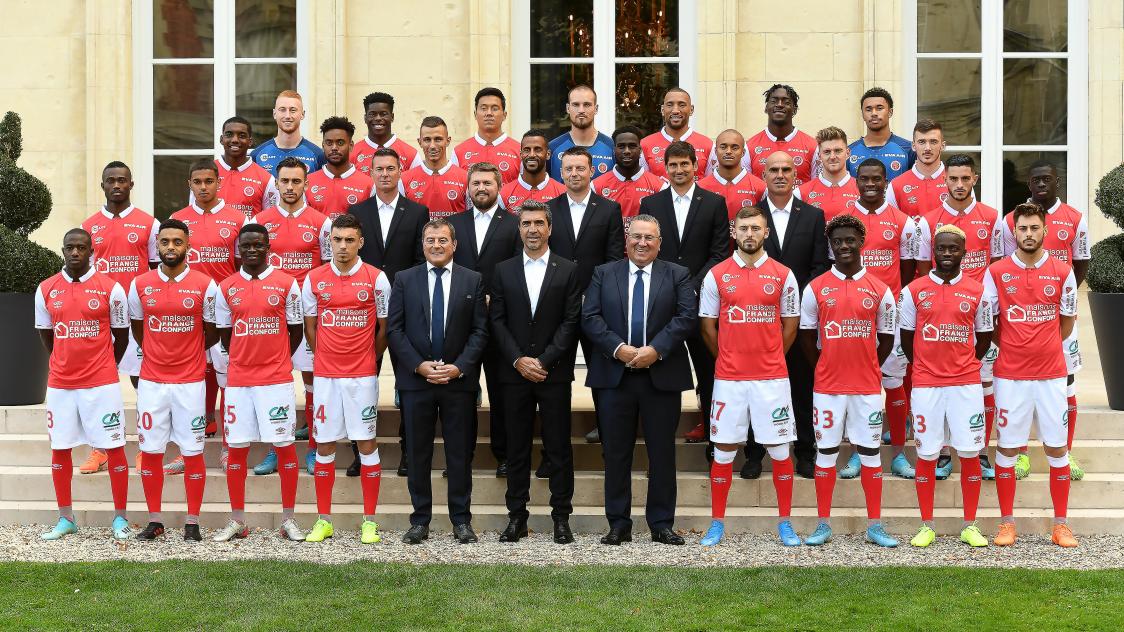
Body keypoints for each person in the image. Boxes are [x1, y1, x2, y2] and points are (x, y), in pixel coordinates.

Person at [582, 215, 697, 546]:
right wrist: (618, 349)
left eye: (649, 238)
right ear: (626, 239)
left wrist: (656, 350)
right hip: (614, 377)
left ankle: (661, 524)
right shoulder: (604, 273)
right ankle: (618, 524)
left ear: (659, 243)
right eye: (636, 236)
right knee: (615, 453)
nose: (642, 243)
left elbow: (686, 316)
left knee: (662, 454)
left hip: (660, 376)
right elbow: (590, 317)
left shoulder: (677, 274)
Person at [698, 207, 802, 547]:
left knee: (780, 450)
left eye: (756, 228)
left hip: (772, 380)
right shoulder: (716, 275)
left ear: (766, 232)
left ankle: (785, 522)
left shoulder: (784, 274)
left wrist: (771, 356)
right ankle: (717, 522)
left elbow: (791, 325)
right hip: (730, 380)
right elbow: (708, 327)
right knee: (724, 450)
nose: (749, 234)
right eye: (743, 228)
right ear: (734, 232)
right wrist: (727, 358)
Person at [982, 203, 1079, 548]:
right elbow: (991, 322)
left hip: (1051, 374)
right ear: (1014, 232)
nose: (1028, 234)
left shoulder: (1063, 271)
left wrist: (1043, 345)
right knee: (1007, 449)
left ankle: (1061, 525)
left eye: (1034, 228)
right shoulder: (996, 271)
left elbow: (1066, 322)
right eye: (1022, 228)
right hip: (1010, 375)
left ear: (1045, 230)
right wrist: (1014, 345)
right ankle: (1007, 523)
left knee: (1057, 449)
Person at [799, 214, 899, 548]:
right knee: (826, 453)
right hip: (828, 388)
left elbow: (886, 338)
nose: (844, 246)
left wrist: (868, 366)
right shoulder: (815, 288)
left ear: (861, 243)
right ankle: (823, 524)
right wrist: (824, 366)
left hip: (866, 388)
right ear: (831, 245)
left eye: (850, 240)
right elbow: (806, 336)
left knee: (870, 454)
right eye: (838, 241)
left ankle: (875, 525)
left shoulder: (880, 289)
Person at [388, 219, 489, 545]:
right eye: (430, 240)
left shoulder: (472, 280)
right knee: (418, 454)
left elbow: (480, 331)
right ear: (423, 244)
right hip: (417, 382)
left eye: (442, 240)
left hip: (457, 383)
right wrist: (418, 366)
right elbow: (395, 330)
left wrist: (459, 368)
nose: (436, 245)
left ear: (454, 245)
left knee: (459, 454)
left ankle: (462, 521)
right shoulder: (404, 279)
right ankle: (420, 520)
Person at [489, 200, 583, 544]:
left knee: (558, 447)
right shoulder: (503, 270)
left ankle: (561, 518)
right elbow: (496, 320)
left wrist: (543, 361)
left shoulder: (568, 269)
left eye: (539, 223)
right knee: (517, 448)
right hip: (514, 374)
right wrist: (518, 360)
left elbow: (571, 321)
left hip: (552, 374)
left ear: (549, 228)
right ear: (519, 229)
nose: (532, 229)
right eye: (526, 223)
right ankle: (517, 517)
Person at [35, 228, 132, 541]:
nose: (75, 252)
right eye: (70, 247)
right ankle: (66, 518)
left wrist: (104, 365)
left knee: (114, 448)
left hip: (101, 384)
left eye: (81, 247)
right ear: (63, 250)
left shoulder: (111, 288)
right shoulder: (46, 288)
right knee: (60, 449)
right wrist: (64, 361)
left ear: (92, 251)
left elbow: (121, 336)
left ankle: (120, 517)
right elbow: (46, 334)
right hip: (61, 384)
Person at [211, 224, 306, 542]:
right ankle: (237, 519)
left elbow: (295, 330)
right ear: (238, 249)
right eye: (246, 245)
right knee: (237, 450)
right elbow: (225, 334)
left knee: (285, 448)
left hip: (276, 381)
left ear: (268, 247)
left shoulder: (287, 283)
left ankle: (289, 519)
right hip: (239, 382)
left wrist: (276, 359)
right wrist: (244, 358)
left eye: (258, 245)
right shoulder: (226, 287)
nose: (252, 250)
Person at [301, 214, 392, 545]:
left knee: (366, 443)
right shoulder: (313, 278)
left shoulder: (377, 278)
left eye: (349, 240)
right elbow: (310, 327)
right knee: (325, 444)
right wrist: (325, 357)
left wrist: (368, 359)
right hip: (326, 377)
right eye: (337, 240)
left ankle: (370, 522)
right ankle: (323, 520)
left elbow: (384, 329)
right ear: (330, 242)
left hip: (362, 376)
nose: (342, 246)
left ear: (360, 242)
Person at [900, 225, 992, 548]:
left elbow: (984, 339)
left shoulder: (978, 291)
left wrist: (962, 364)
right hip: (927, 385)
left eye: (954, 248)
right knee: (926, 454)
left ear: (964, 252)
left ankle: (970, 525)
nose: (948, 253)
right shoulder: (913, 290)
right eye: (942, 248)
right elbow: (907, 339)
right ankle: (927, 525)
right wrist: (927, 367)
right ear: (933, 251)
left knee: (969, 453)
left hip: (966, 385)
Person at [128, 219, 219, 541]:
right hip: (152, 383)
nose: (170, 247)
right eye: (165, 241)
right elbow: (138, 328)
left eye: (177, 242)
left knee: (192, 452)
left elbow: (211, 332)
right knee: (151, 452)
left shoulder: (205, 285)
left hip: (190, 383)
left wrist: (187, 353)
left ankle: (192, 522)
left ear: (188, 246)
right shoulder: (140, 284)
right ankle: (155, 520)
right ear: (157, 245)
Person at [999, 160, 1089, 481]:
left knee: (1066, 382)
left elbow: (1081, 262)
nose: (1041, 184)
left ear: (1057, 182)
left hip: (1058, 314)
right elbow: (1005, 262)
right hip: (1021, 317)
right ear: (1028, 183)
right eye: (1035, 179)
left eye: (1047, 179)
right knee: (1021, 390)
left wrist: (1060, 302)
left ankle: (1066, 450)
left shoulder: (1075, 218)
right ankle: (1021, 453)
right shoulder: (1012, 220)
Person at [741, 152, 829, 480]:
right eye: (773, 170)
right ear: (763, 175)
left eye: (786, 170)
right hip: (757, 318)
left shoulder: (813, 216)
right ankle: (754, 454)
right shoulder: (751, 215)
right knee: (756, 389)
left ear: (796, 176)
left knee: (801, 386)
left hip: (800, 318)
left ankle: (805, 452)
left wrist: (794, 302)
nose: (780, 175)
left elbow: (820, 266)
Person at [915, 154, 1003, 479]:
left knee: (983, 381)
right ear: (945, 180)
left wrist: (987, 306)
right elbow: (922, 269)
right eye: (953, 178)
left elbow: (996, 264)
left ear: (974, 179)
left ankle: (980, 450)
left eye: (966, 178)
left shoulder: (992, 217)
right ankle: (941, 452)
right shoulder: (928, 221)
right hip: (940, 315)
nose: (960, 184)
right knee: (940, 384)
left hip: (979, 313)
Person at [831, 158, 919, 481]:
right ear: (856, 181)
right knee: (860, 387)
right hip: (852, 316)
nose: (870, 184)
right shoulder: (843, 220)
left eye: (876, 179)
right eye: (864, 178)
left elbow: (907, 267)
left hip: (888, 315)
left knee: (893, 383)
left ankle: (897, 454)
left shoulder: (903, 222)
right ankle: (858, 452)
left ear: (886, 182)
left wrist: (890, 300)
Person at [639, 140, 728, 458]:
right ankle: (659, 439)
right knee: (662, 369)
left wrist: (690, 286)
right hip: (663, 302)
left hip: (703, 302)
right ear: (665, 168)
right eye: (673, 164)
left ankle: (716, 440)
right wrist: (672, 288)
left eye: (684, 164)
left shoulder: (714, 203)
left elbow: (719, 253)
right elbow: (646, 250)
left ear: (695, 166)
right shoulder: (651, 203)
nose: (678, 170)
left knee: (709, 370)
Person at [249, 157, 332, 477]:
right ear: (276, 183)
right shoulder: (260, 221)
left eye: (296, 181)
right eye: (284, 181)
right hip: (272, 314)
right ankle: (276, 449)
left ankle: (313, 448)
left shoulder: (322, 223)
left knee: (312, 382)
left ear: (306, 184)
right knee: (276, 384)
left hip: (308, 314)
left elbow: (327, 269)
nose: (290, 186)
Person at [349, 147, 429, 477]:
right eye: (379, 169)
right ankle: (361, 451)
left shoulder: (418, 211)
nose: (384, 174)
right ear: (371, 173)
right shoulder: (357, 211)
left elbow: (420, 261)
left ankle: (409, 452)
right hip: (365, 310)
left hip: (405, 310)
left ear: (400, 172)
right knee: (362, 384)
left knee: (409, 384)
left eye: (390, 169)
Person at [79, 162, 159, 474]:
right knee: (100, 386)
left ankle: (145, 447)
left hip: (137, 317)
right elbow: (83, 273)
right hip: (100, 319)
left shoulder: (149, 224)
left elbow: (156, 271)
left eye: (122, 180)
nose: (116, 185)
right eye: (110, 180)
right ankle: (100, 448)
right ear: (102, 185)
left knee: (143, 385)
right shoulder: (89, 225)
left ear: (131, 184)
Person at [171, 160, 249, 471]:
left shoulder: (238, 219)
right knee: (192, 379)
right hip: (188, 311)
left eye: (209, 181)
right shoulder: (178, 220)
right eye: (197, 182)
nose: (203, 187)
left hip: (224, 310)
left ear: (219, 182)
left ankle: (229, 446)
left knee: (228, 377)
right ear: (189, 184)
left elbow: (243, 265)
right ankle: (187, 449)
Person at [546, 146, 625, 448]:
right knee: (556, 375)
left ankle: (607, 433)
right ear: (561, 172)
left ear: (592, 171)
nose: (574, 173)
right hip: (558, 307)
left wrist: (593, 296)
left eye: (580, 168)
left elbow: (614, 259)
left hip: (597, 307)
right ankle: (556, 442)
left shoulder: (609, 209)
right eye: (568, 168)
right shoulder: (548, 209)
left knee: (603, 372)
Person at [447, 162, 522, 476]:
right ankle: (460, 458)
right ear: (468, 187)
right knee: (460, 394)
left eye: (487, 183)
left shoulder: (514, 224)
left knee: (502, 392)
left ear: (499, 187)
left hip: (500, 321)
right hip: (459, 322)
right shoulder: (452, 224)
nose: (481, 188)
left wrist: (495, 297)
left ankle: (504, 456)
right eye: (476, 183)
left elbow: (518, 270)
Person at [744, 85, 819, 186]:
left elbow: (817, 186)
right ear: (766, 108)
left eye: (786, 102)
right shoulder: (749, 147)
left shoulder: (812, 146)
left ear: (794, 110)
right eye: (774, 101)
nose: (779, 105)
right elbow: (747, 187)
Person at [696, 129, 767, 234]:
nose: (728, 151)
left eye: (734, 147)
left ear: (743, 152)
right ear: (715, 151)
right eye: (723, 147)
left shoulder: (760, 188)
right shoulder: (699, 187)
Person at [591, 126, 668, 222]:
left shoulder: (660, 187)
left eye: (632, 146)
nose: (627, 151)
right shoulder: (596, 187)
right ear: (614, 150)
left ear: (640, 150)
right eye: (621, 146)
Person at [306, 116, 374, 219]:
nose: (334, 148)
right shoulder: (307, 182)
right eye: (329, 143)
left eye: (340, 143)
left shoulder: (369, 185)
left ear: (351, 145)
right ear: (323, 145)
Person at [401, 116, 469, 220]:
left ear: (448, 141)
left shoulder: (466, 178)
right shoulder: (404, 180)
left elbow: (472, 218)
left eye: (438, 139)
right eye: (427, 140)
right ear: (420, 142)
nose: (432, 146)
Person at [213, 116, 279, 218]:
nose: (235, 140)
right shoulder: (206, 173)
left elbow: (271, 218)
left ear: (250, 141)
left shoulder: (266, 179)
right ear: (221, 139)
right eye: (229, 135)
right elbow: (195, 213)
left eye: (242, 136)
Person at [640, 87, 713, 179]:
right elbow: (643, 182)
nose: (675, 111)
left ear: (691, 109)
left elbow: (711, 183)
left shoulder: (707, 145)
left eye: (682, 105)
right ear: (662, 110)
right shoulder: (645, 145)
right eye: (670, 105)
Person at [453, 87, 521, 184]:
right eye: (484, 108)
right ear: (475, 114)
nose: (489, 113)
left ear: (504, 115)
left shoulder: (519, 151)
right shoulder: (459, 152)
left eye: (494, 109)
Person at [548, 84, 614, 181]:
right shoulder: (552, 148)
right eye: (576, 105)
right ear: (568, 108)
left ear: (596, 109)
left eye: (587, 105)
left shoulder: (612, 147)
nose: (581, 110)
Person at [847, 87, 915, 181]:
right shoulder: (849, 152)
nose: (874, 113)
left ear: (890, 112)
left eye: (879, 108)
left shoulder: (909, 149)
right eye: (868, 109)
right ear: (862, 114)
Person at [251, 90, 326, 175]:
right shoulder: (257, 155)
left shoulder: (318, 155)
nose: (287, 116)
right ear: (274, 114)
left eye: (293, 110)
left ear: (302, 114)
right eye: (282, 110)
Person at [888, 119, 948, 222]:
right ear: (913, 146)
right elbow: (890, 224)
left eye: (933, 142)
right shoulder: (896, 186)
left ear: (942, 146)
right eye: (922, 142)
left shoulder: (958, 181)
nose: (927, 148)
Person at [798, 127, 859, 220]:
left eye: (838, 151)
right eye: (827, 152)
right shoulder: (800, 193)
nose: (832, 157)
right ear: (819, 156)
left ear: (847, 153)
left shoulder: (861, 190)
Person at [351, 92, 418, 174]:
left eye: (383, 114)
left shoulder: (410, 154)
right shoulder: (352, 154)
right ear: (365, 118)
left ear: (392, 117)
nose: (378, 118)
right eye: (372, 114)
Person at [499, 130, 566, 212]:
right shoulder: (504, 194)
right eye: (527, 150)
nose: (532, 155)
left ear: (548, 154)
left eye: (537, 150)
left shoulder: (563, 192)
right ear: (521, 155)